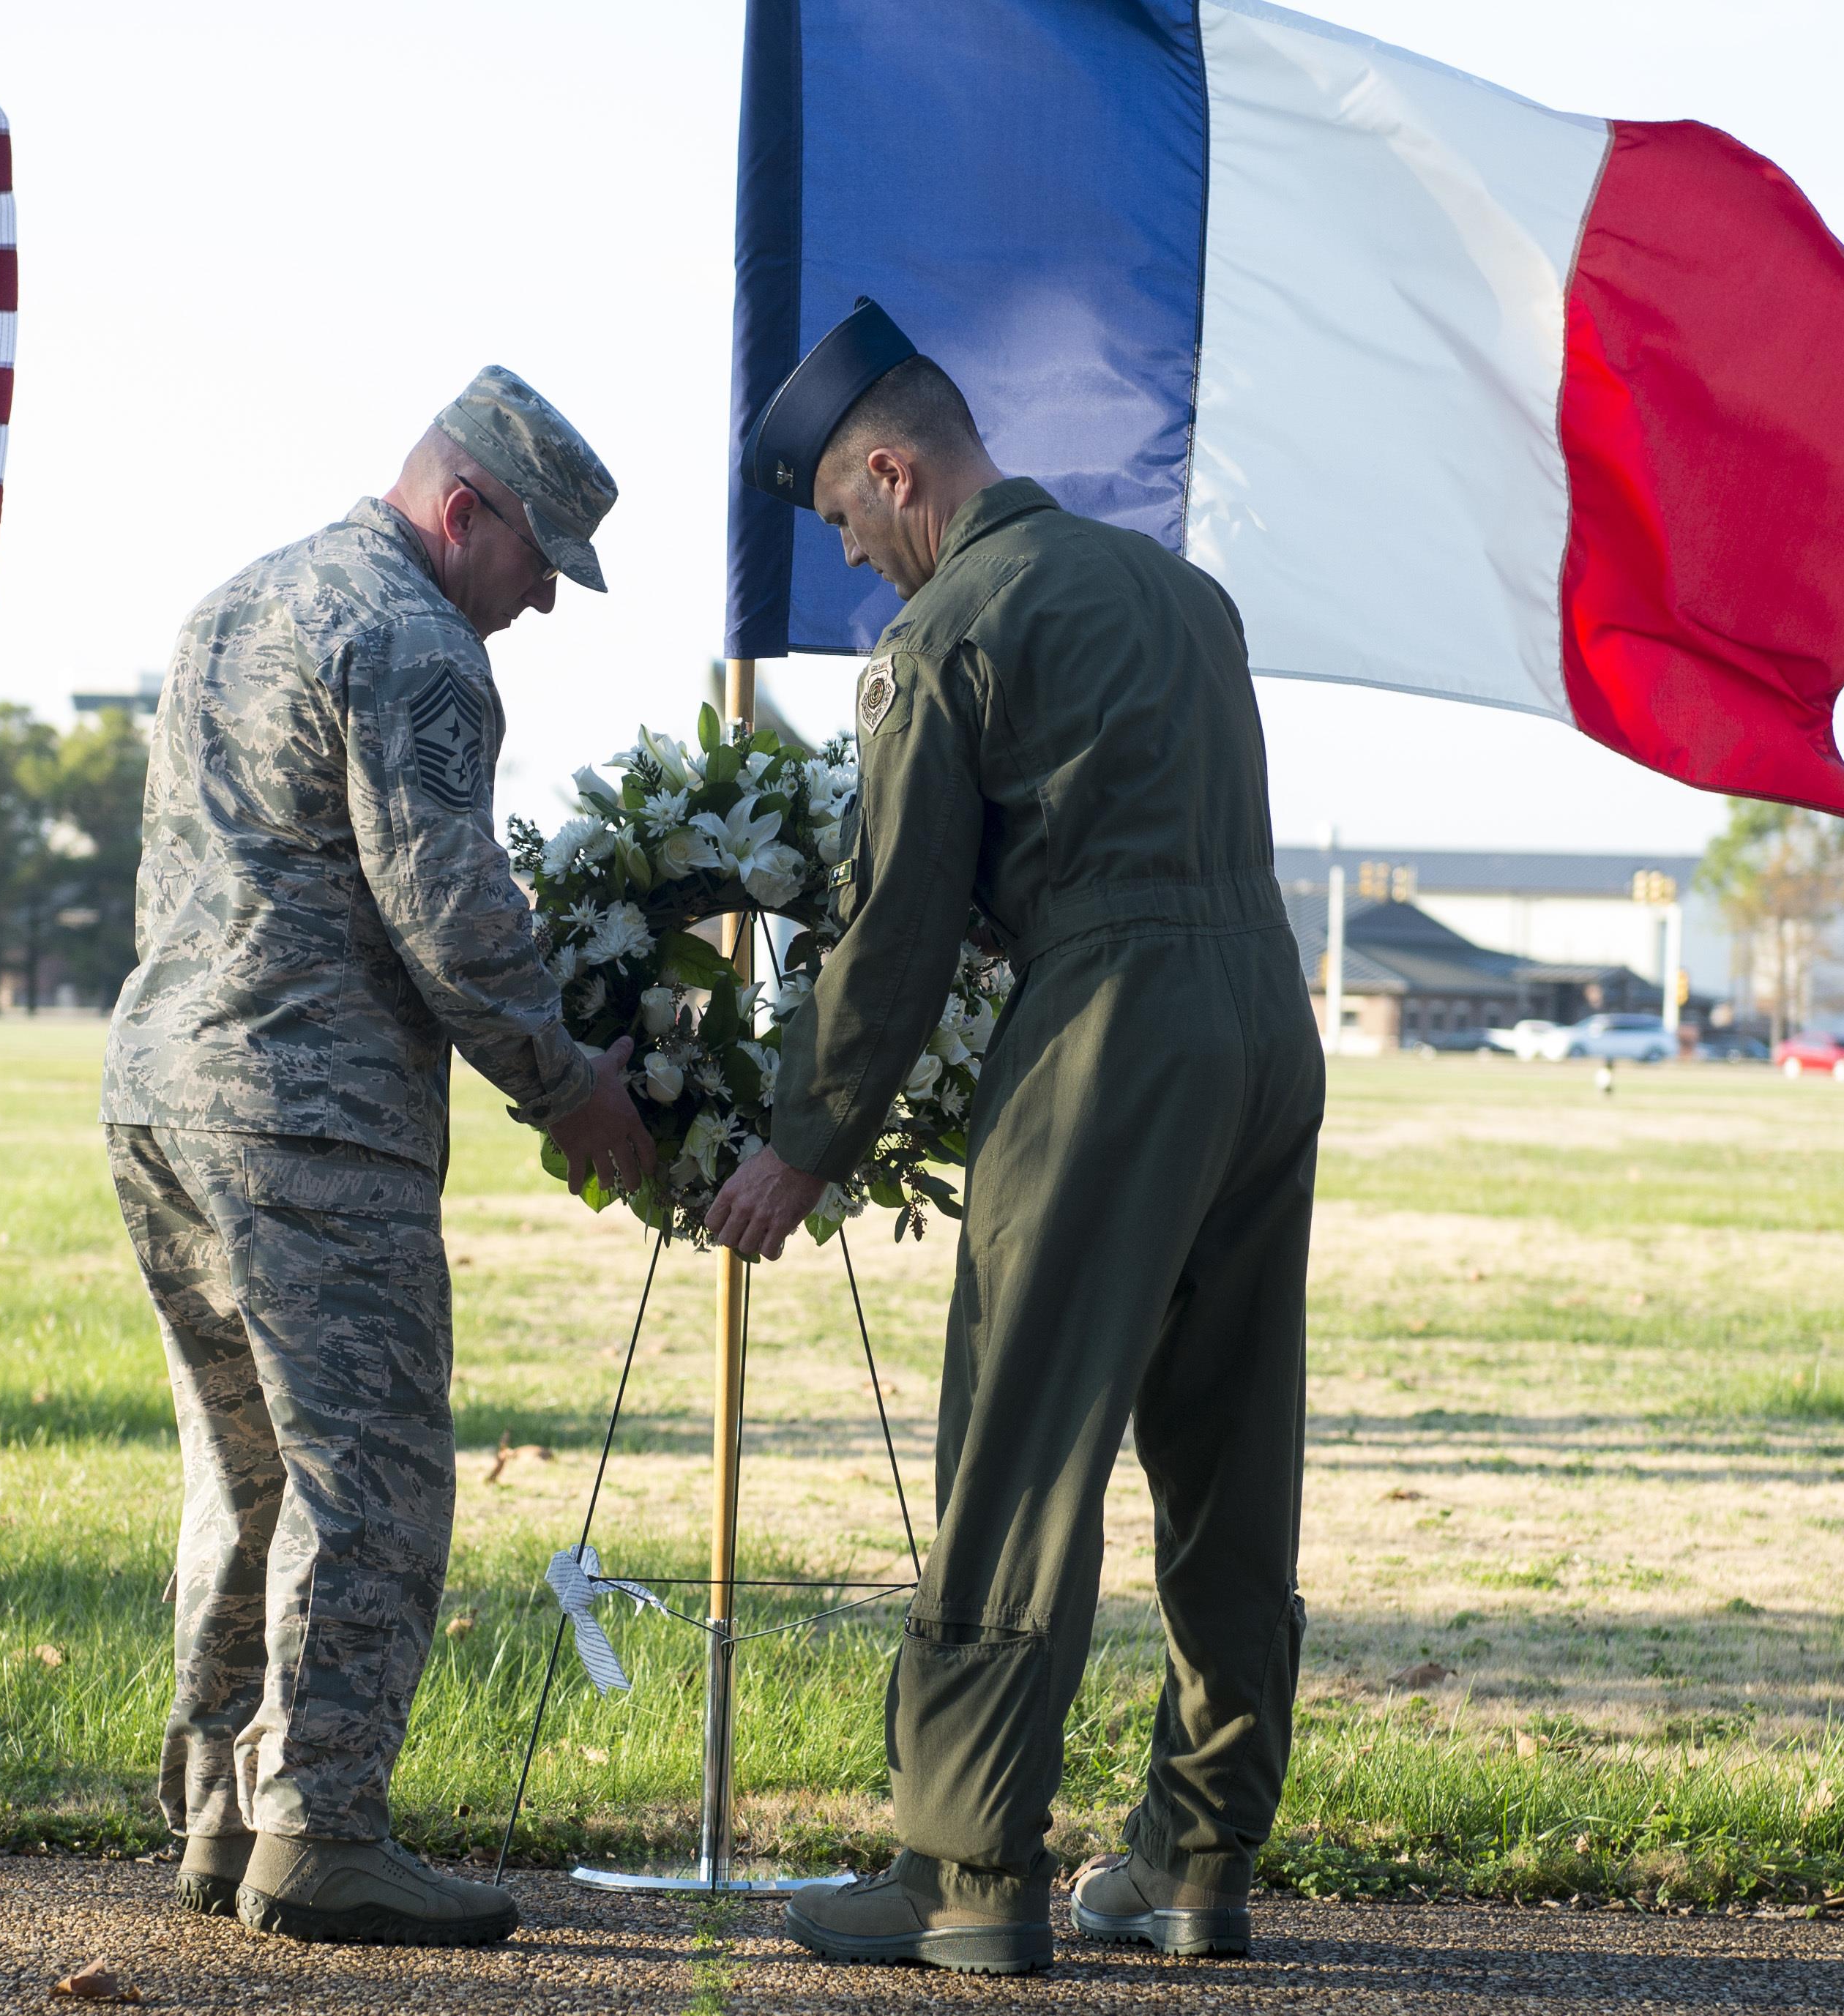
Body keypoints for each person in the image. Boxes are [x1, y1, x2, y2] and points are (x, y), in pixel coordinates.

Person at [709, 301, 1325, 1976]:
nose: (860, 568)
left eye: (847, 526)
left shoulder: (949, 630)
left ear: (893, 473)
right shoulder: (1182, 597)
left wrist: (806, 1141)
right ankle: (1195, 1859)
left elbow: (898, 926)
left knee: (1021, 1443)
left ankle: (967, 1871)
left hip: (1109, 1037)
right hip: (1267, 1021)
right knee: (1227, 1444)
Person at [100, 366, 656, 1948]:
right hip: (308, 1115)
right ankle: (323, 1832)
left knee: (243, 1469)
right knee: (373, 1480)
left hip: (160, 1093)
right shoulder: (415, 645)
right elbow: (450, 914)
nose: (540, 602)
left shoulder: (239, 601)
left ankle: (219, 1815)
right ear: (459, 506)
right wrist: (569, 1087)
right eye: (536, 560)